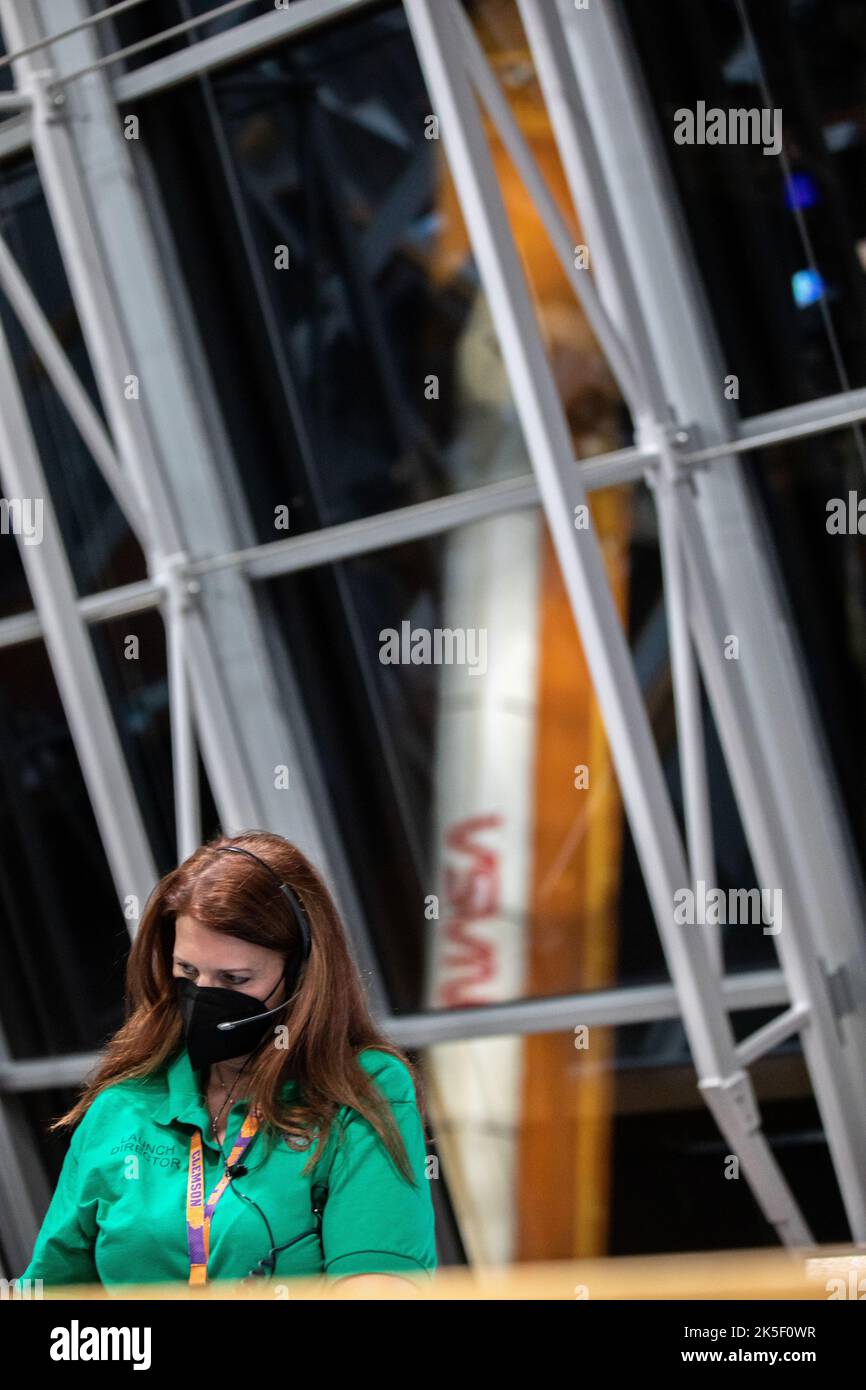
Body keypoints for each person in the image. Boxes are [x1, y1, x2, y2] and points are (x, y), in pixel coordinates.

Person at [19, 831, 438, 1297]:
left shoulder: (361, 1087)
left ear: (301, 973)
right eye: (188, 973)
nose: (205, 996)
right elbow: (50, 1289)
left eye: (235, 978)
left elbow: (379, 1279)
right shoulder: (121, 1104)